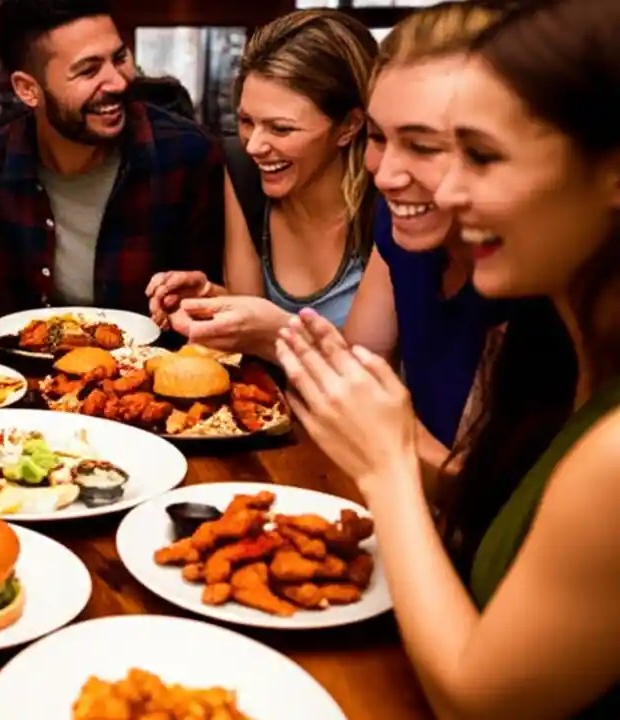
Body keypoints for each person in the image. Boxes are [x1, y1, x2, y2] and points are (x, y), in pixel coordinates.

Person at [278, 0, 620, 716]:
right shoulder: (558, 338)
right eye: (379, 138)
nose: (451, 192)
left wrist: (389, 465)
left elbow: (481, 702)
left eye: (482, 155)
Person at [0, 0, 225, 317]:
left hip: (158, 363)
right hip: (14, 366)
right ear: (28, 89)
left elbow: (218, 305)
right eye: (88, 70)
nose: (119, 81)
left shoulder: (188, 157)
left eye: (120, 58)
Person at [147, 9, 378, 356]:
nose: (254, 145)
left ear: (349, 126)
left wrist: (277, 331)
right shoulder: (242, 170)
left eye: (281, 128)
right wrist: (212, 300)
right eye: (245, 121)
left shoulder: (385, 201)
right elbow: (250, 335)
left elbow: (373, 374)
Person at [346, 1, 509, 481]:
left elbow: (499, 510)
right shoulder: (403, 231)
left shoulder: (535, 281)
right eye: (377, 138)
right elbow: (359, 370)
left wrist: (393, 443)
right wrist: (270, 334)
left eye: (422, 146)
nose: (385, 176)